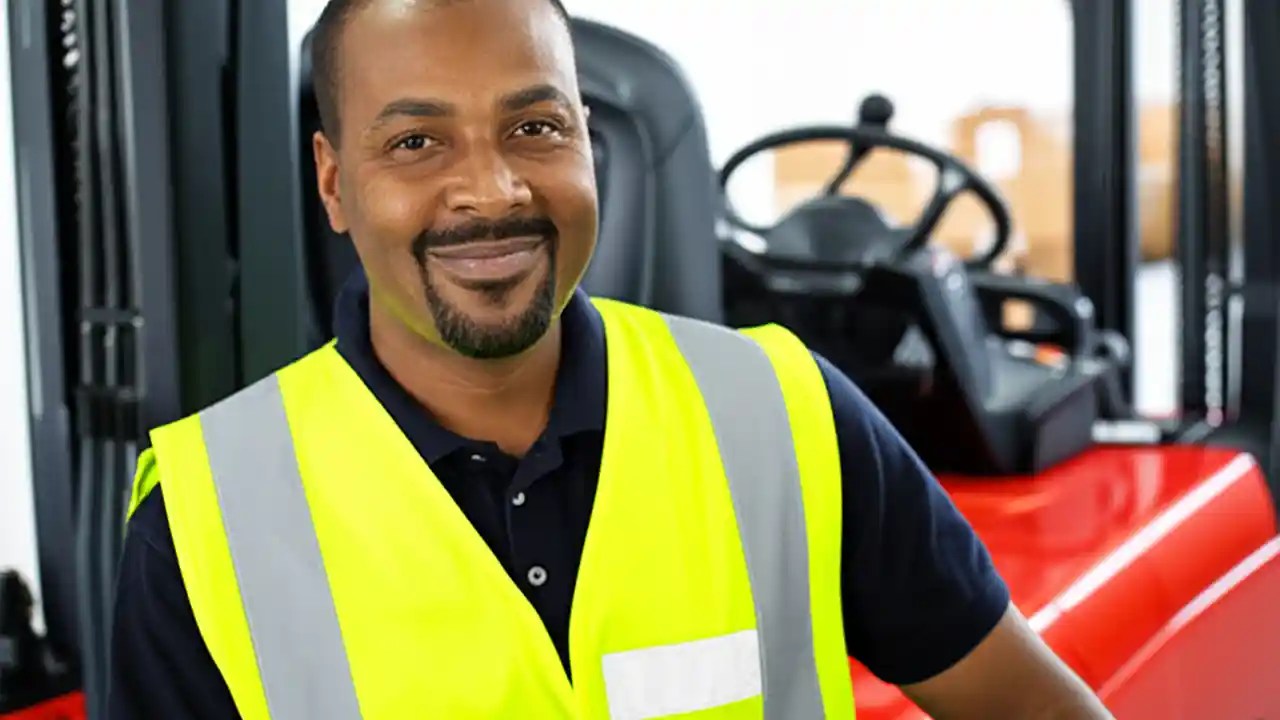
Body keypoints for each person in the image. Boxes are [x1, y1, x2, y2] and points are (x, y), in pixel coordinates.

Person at [108, 0, 1115, 717]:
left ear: (589, 141)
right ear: (333, 182)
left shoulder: (783, 416)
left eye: (534, 127)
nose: (491, 189)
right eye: (417, 144)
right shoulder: (204, 528)